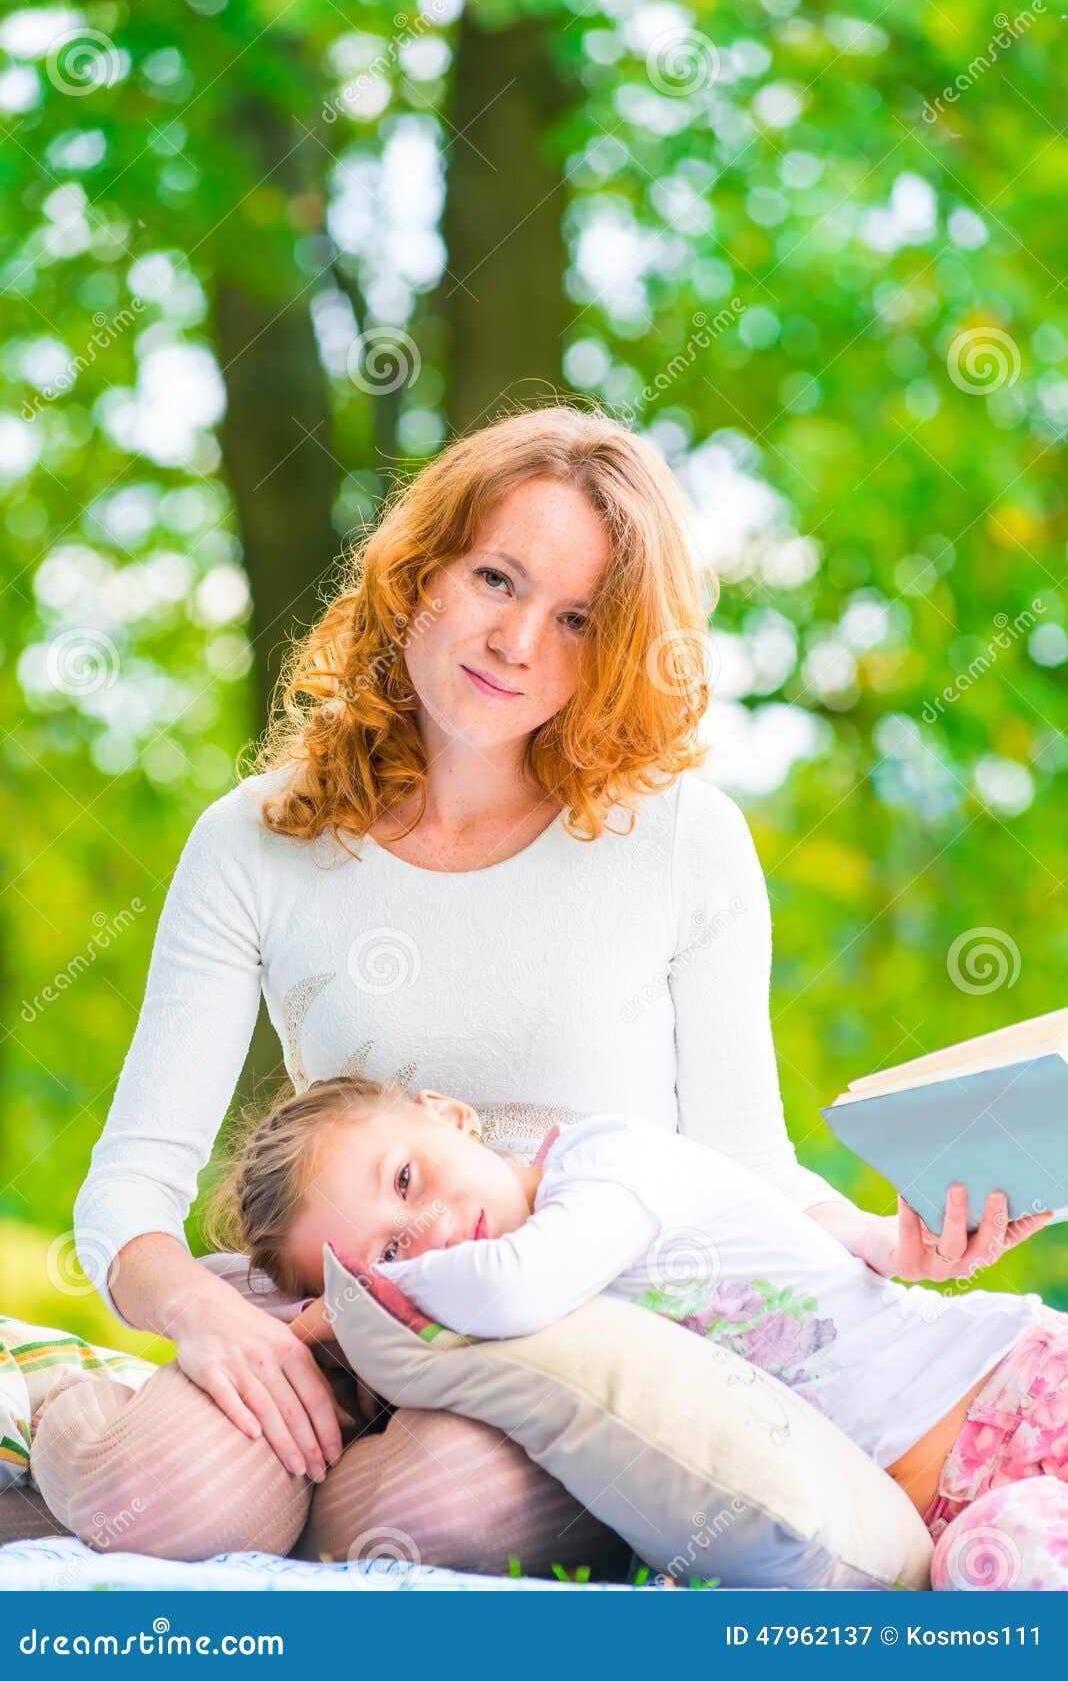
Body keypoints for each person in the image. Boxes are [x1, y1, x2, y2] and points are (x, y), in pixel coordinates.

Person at [25, 406, 1044, 1572]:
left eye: (574, 620)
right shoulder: (256, 840)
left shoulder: (680, 839)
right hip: (342, 1306)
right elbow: (129, 1192)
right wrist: (208, 1320)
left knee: (428, 1511)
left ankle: (298, 1504)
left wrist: (893, 1243)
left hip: (573, 1340)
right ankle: (48, 1403)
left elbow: (743, 1166)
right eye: (496, 578)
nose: (517, 642)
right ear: (419, 572)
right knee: (166, 1506)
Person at [210, 1072, 1065, 1587]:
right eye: (390, 1250)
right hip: (950, 1522)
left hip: (1015, 1396)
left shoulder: (608, 1166)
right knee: (997, 1564)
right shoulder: (548, 1331)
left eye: (406, 1176)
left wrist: (354, 1299)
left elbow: (514, 1288)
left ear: (450, 1114)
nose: (430, 1225)